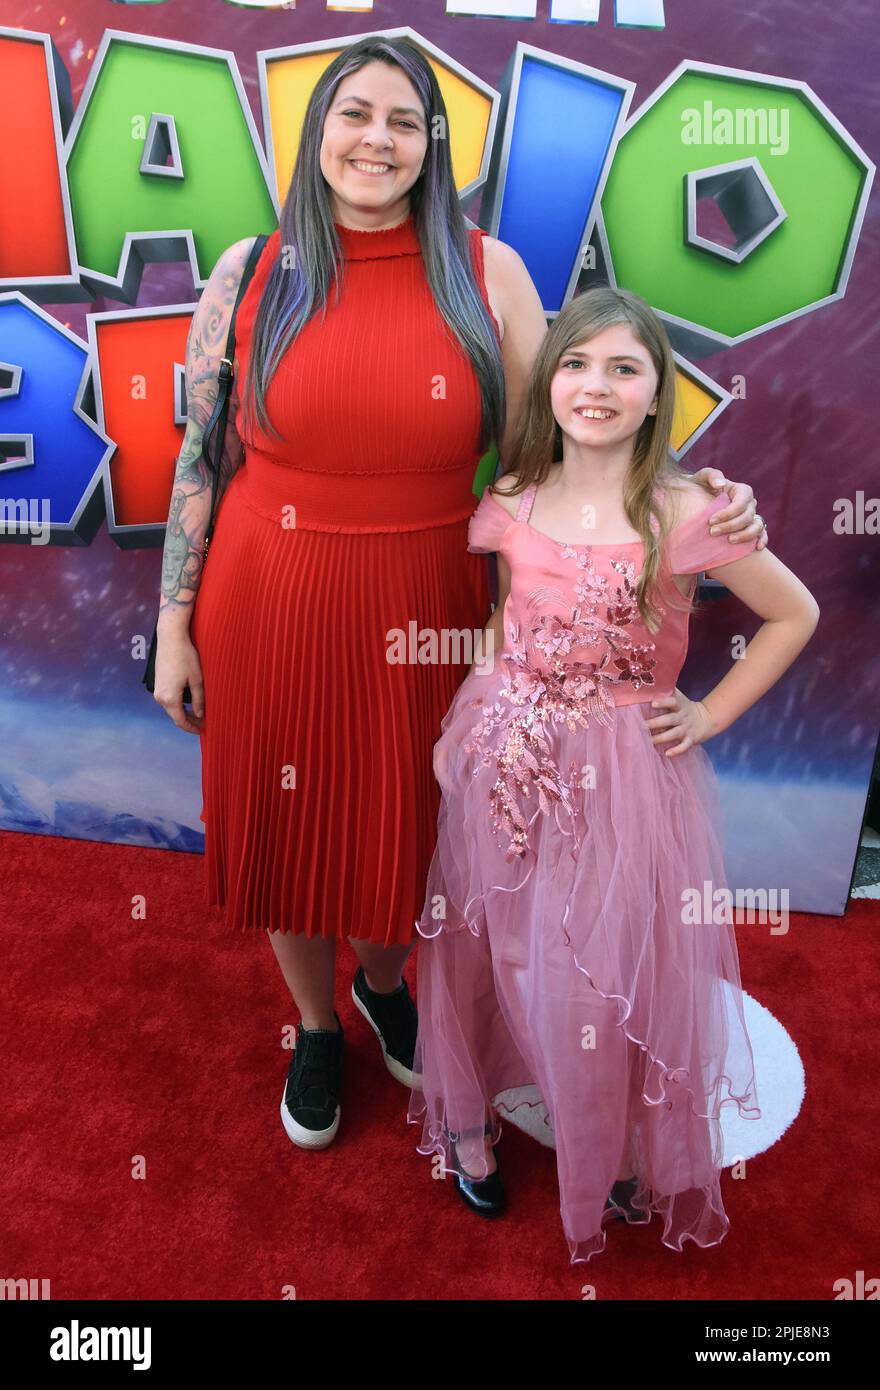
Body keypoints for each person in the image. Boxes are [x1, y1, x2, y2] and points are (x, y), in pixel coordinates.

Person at [150, 36, 767, 1158]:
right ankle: (313, 1023)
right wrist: (172, 627)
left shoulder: (486, 273)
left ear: (433, 146)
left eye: (402, 120)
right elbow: (199, 456)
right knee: (287, 828)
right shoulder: (249, 269)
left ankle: (386, 986)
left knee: (404, 829)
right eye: (355, 114)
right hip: (267, 595)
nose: (375, 139)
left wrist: (691, 491)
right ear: (317, 130)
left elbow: (562, 440)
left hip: (431, 602)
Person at [406, 285, 819, 1264]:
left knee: (589, 976)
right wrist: (466, 713)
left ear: (653, 393)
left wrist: (711, 711)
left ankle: (607, 1152)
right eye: (577, 362)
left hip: (622, 775)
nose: (595, 384)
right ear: (550, 379)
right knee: (487, 942)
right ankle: (467, 1127)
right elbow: (509, 617)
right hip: (506, 754)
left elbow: (792, 612)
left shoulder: (688, 509)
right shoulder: (511, 498)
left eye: (622, 367)